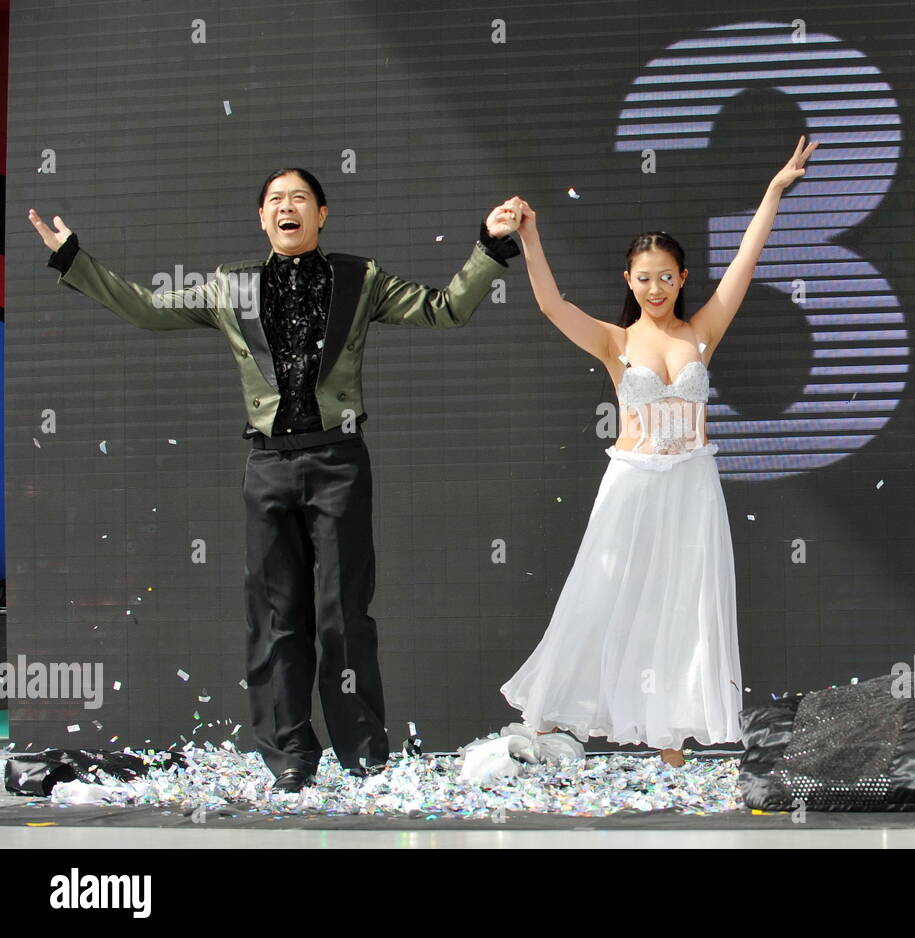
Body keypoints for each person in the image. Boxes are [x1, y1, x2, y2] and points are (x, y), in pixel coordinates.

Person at [29, 171, 524, 792]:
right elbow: (148, 309)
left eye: (299, 200)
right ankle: (290, 754)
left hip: (339, 460)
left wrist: (489, 245)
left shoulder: (359, 278)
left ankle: (364, 754)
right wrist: (73, 258)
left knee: (345, 613)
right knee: (275, 618)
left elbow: (444, 309)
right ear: (262, 218)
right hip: (267, 465)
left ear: (322, 213)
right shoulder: (229, 284)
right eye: (275, 201)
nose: (286, 208)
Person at [500, 137, 818, 766]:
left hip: (693, 482)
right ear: (628, 280)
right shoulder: (614, 340)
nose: (655, 288)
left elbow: (745, 267)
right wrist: (529, 238)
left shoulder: (702, 331)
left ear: (683, 277)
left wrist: (773, 193)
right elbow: (549, 304)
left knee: (684, 605)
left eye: (666, 277)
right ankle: (549, 716)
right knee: (604, 591)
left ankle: (669, 741)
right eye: (643, 278)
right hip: (634, 481)